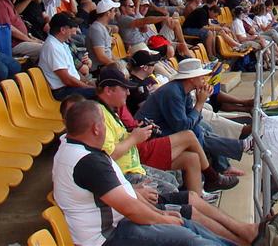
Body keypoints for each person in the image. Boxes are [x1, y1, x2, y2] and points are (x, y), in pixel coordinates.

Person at [52, 99, 253, 246]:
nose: (106, 129)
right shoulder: (88, 162)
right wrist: (163, 219)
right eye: (104, 123)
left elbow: (120, 195)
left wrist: (159, 213)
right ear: (96, 129)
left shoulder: (75, 148)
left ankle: (243, 239)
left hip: (119, 222)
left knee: (185, 223)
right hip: (108, 237)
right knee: (187, 238)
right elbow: (130, 208)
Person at [94, 65, 238, 194]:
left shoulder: (113, 108)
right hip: (136, 156)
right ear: (108, 90)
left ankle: (199, 200)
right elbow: (109, 154)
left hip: (139, 149)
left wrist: (137, 130)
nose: (128, 93)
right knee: (189, 136)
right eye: (124, 89)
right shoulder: (99, 115)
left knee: (193, 156)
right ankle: (213, 176)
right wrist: (134, 137)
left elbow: (192, 120)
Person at [136, 59, 249, 175]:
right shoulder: (172, 92)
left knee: (203, 128)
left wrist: (200, 101)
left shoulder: (183, 89)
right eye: (201, 77)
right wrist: (200, 103)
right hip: (151, 135)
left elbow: (192, 118)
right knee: (196, 133)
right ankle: (236, 151)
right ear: (191, 78)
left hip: (165, 127)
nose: (204, 79)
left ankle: (223, 166)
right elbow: (183, 126)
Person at [39, 12, 96, 100]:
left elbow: (73, 72)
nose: (73, 31)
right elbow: (67, 79)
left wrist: (87, 82)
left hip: (70, 87)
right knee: (100, 94)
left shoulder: (61, 44)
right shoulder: (52, 47)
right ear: (62, 30)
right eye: (70, 27)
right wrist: (87, 87)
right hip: (62, 91)